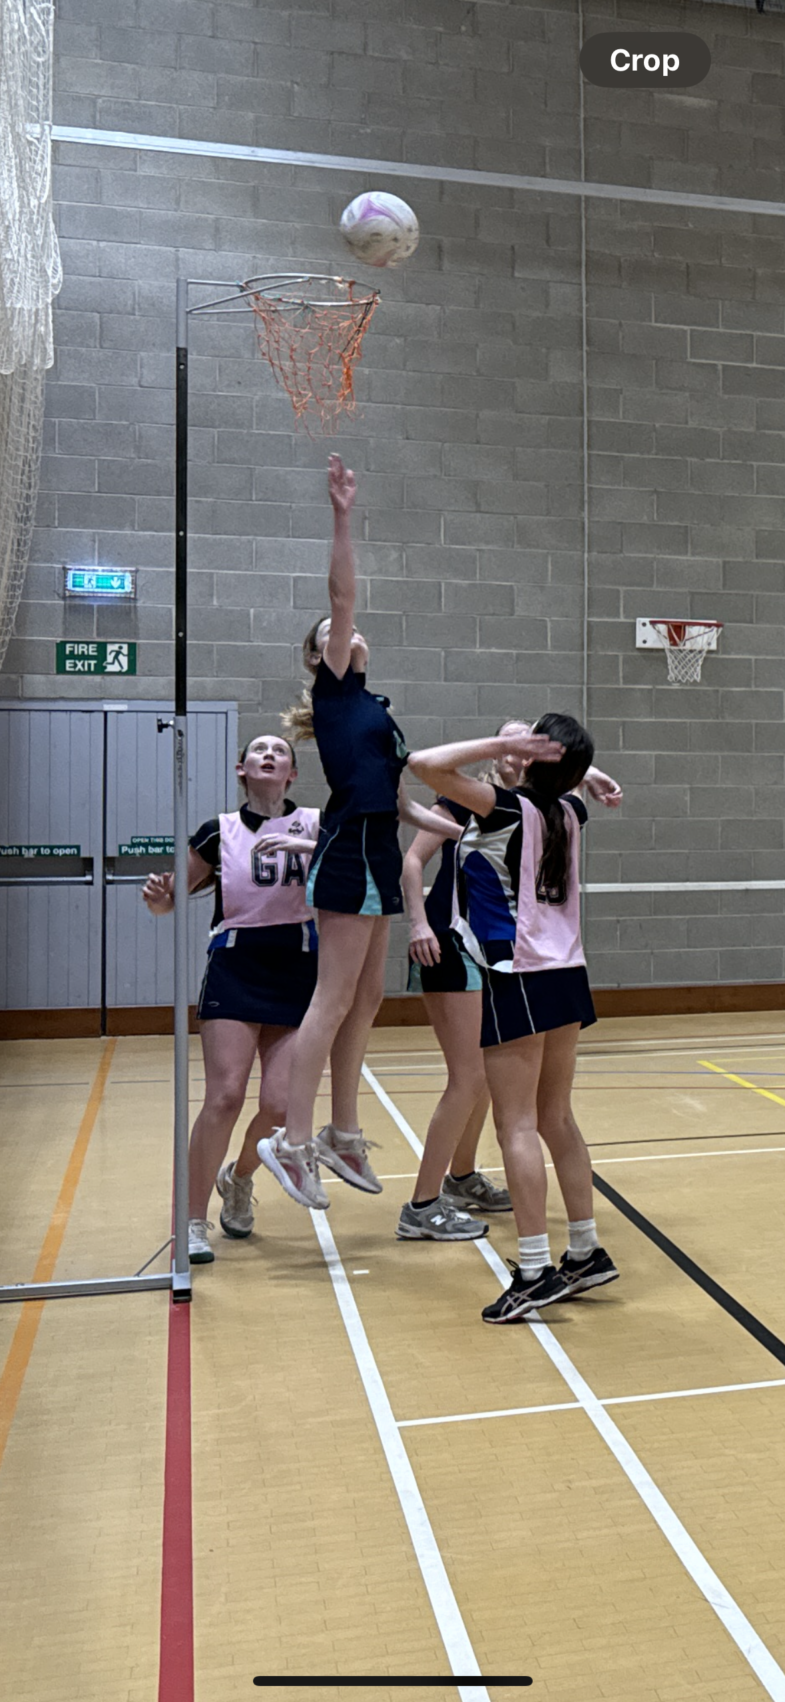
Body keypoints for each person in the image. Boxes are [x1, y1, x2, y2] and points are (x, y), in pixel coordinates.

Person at [256, 455, 467, 1212]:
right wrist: (343, 515)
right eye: (333, 633)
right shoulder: (337, 685)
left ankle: (344, 1130)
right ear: (323, 653)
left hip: (380, 842)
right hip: (348, 851)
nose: (347, 630)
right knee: (332, 1000)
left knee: (369, 999)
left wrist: (447, 823)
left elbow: (401, 797)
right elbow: (341, 594)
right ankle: (290, 1139)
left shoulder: (374, 708)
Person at [408, 715, 620, 1323]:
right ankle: (584, 1251)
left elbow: (424, 762)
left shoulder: (504, 809)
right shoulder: (572, 811)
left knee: (518, 1126)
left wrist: (503, 744)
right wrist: (584, 769)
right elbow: (575, 780)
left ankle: (533, 1269)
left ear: (530, 756)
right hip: (567, 972)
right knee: (557, 1118)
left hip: (516, 972)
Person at [142, 733, 320, 1263]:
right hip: (237, 965)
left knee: (281, 1106)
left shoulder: (315, 825)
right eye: (259, 751)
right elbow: (171, 900)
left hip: (299, 967)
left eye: (280, 752)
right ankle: (192, 1220)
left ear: (291, 773)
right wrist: (159, 898)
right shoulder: (217, 832)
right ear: (241, 769)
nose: (270, 755)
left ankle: (239, 1177)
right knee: (225, 1096)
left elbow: (350, 874)